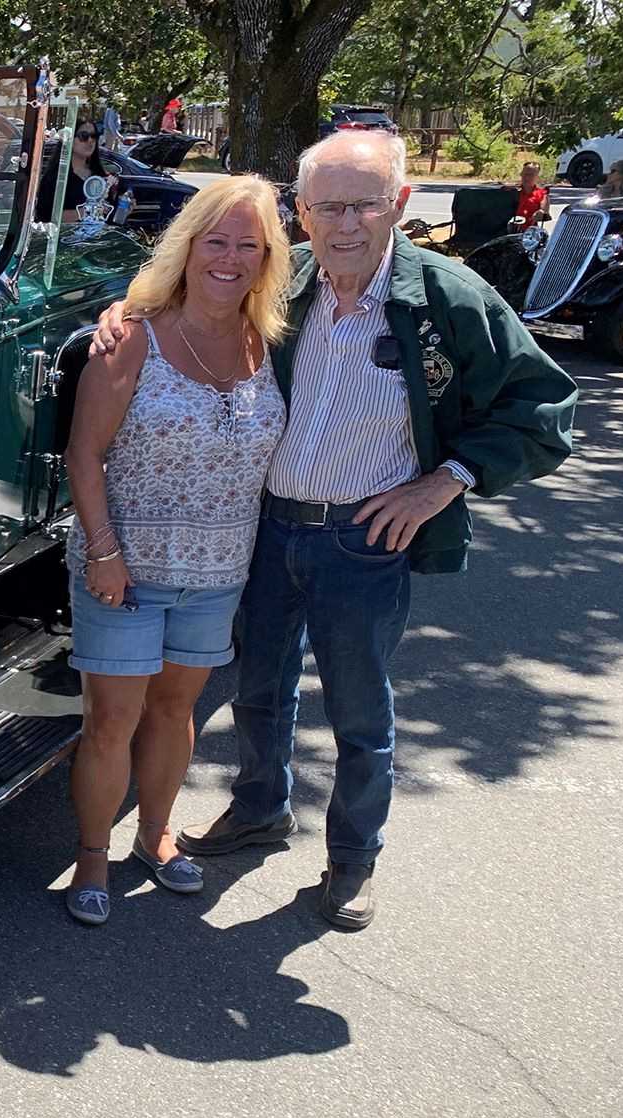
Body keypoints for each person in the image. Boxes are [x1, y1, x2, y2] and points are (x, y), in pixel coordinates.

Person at [91, 131, 576, 930]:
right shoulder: (287, 285)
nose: (345, 224)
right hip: (265, 532)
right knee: (258, 692)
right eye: (326, 208)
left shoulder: (447, 299)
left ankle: (353, 858)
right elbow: (194, 304)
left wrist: (444, 482)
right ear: (303, 213)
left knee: (358, 714)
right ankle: (260, 808)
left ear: (400, 204)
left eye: (364, 205)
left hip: (365, 542)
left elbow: (545, 408)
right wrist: (125, 312)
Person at [62, 176, 294, 926]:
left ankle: (154, 836)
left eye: (248, 245)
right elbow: (84, 453)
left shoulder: (272, 340)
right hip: (124, 570)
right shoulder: (134, 334)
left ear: (267, 259)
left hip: (219, 572)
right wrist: (103, 551)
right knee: (112, 720)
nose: (229, 258)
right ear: (187, 247)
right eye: (215, 241)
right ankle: (92, 856)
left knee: (173, 710)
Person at [37, 118, 118, 222]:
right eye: (84, 136)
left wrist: (122, 209)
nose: (90, 141)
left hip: (98, 232)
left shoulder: (100, 176)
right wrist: (86, 211)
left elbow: (110, 216)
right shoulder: (56, 178)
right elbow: (45, 216)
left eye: (94, 136)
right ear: (69, 140)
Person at [514, 161, 549, 225]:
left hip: (530, 228)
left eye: (531, 175)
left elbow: (544, 210)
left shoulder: (542, 193)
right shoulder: (513, 191)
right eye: (525, 174)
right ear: (521, 174)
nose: (527, 177)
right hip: (510, 227)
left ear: (537, 177)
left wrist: (540, 212)